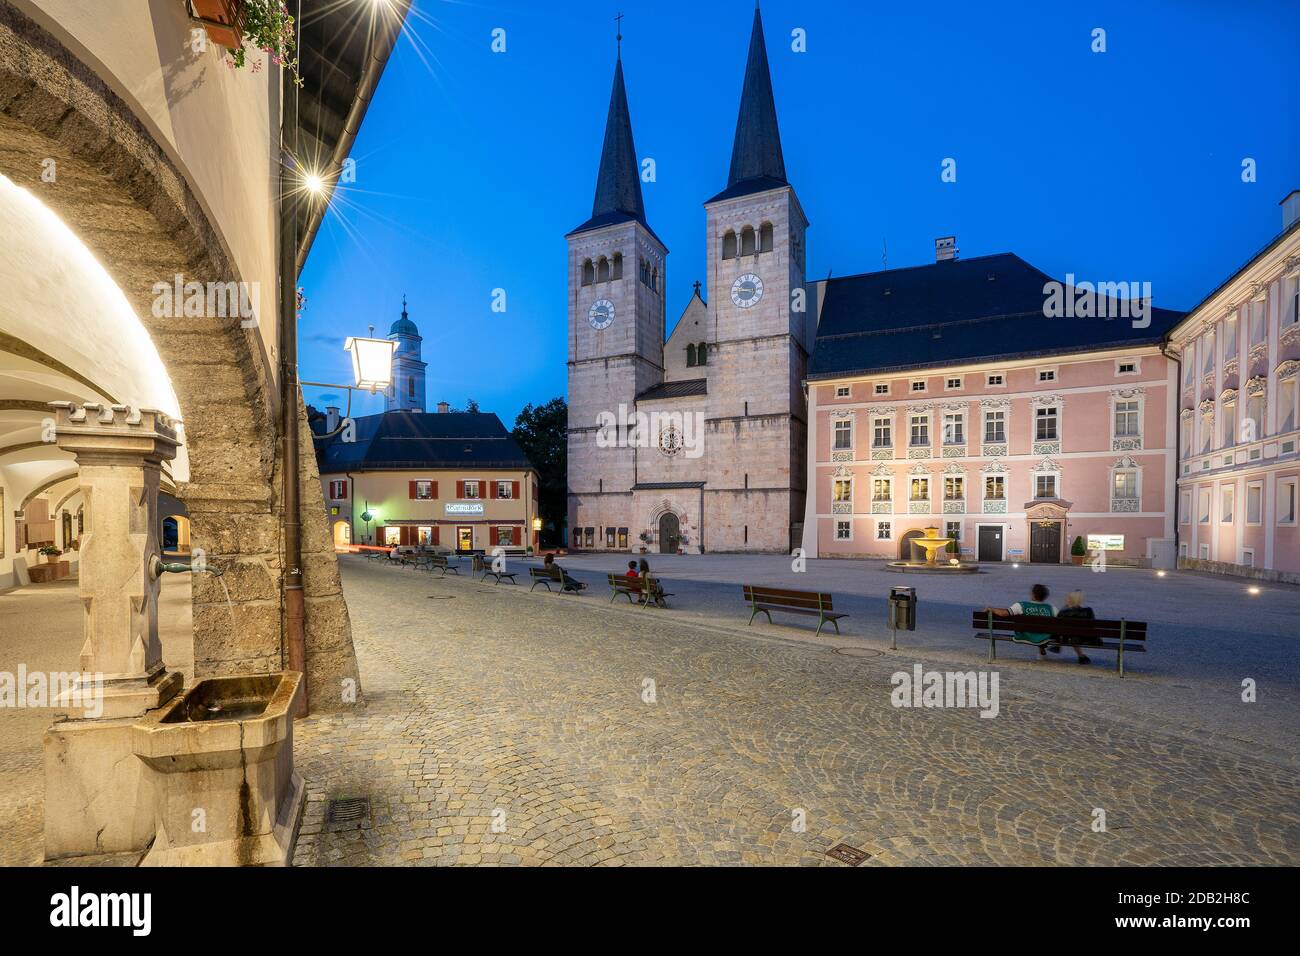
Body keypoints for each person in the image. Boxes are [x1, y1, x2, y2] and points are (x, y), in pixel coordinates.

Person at [987, 583, 1056, 657]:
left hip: (1024, 636)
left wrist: (991, 609)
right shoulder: (1051, 608)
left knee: (1033, 628)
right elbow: (1059, 622)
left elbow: (1004, 613)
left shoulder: (1021, 605)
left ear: (1032, 595)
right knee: (1042, 628)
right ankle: (1041, 648)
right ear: (1044, 596)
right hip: (1043, 637)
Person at [1054, 590, 1095, 663]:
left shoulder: (1064, 612)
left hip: (1069, 639)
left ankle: (1058, 646)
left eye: (1067, 598)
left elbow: (1056, 627)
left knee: (1070, 634)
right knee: (1073, 634)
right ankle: (1081, 656)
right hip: (1087, 639)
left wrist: (1066, 607)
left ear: (1070, 599)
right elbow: (1092, 626)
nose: (1065, 599)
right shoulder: (1089, 611)